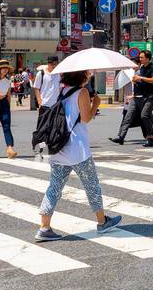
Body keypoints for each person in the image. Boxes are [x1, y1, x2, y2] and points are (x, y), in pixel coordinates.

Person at [33, 67, 122, 240]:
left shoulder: (63, 90)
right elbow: (85, 118)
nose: (89, 74)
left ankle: (44, 227)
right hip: (77, 149)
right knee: (92, 185)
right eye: (87, 72)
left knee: (55, 186)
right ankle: (102, 222)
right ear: (81, 75)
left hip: (59, 147)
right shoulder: (81, 92)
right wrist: (95, 102)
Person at [111, 49, 153, 146]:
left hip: (151, 96)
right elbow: (143, 83)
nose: (140, 59)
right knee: (129, 117)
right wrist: (137, 83)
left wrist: (140, 78)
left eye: (142, 57)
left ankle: (151, 138)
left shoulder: (152, 67)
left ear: (147, 58)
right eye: (139, 58)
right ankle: (121, 137)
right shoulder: (142, 68)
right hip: (140, 97)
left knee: (145, 115)